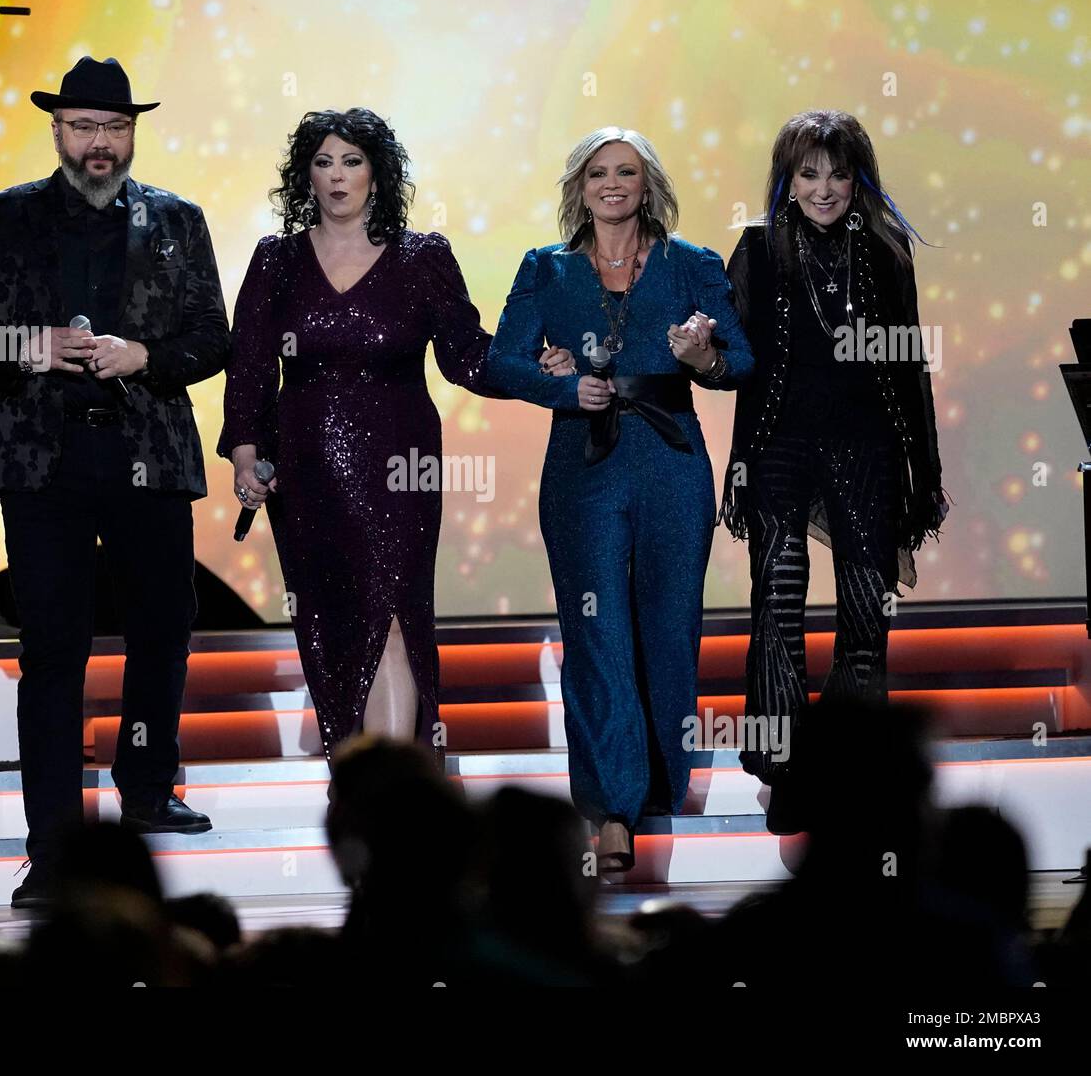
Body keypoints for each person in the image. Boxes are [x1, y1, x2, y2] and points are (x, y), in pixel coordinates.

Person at [0, 57, 231, 908]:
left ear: (132, 132)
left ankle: (145, 788)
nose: (99, 144)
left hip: (147, 458)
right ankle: (56, 849)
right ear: (57, 131)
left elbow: (215, 339)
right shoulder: (6, 218)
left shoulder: (178, 219)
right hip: (45, 466)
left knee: (163, 626)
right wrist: (34, 347)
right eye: (83, 128)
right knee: (54, 653)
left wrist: (146, 356)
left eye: (114, 128)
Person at [218, 108, 574, 765]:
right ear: (306, 177)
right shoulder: (277, 260)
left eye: (351, 161)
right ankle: (353, 772)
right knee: (328, 628)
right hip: (306, 475)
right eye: (323, 162)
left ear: (379, 174)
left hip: (400, 471)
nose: (337, 175)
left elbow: (468, 357)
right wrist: (245, 453)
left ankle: (389, 790)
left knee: (391, 615)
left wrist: (537, 369)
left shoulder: (423, 256)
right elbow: (247, 370)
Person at [486, 127, 753, 872]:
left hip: (672, 461)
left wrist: (702, 357)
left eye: (626, 172)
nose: (612, 184)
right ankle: (611, 808)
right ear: (579, 187)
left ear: (647, 183)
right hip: (583, 463)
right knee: (596, 629)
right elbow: (502, 361)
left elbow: (741, 359)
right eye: (598, 173)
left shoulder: (693, 264)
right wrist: (564, 385)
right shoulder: (547, 268)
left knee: (670, 626)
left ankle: (663, 784)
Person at [717, 109, 948, 834]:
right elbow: (738, 368)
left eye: (838, 173)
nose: (823, 188)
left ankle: (848, 776)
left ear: (859, 178)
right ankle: (785, 774)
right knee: (776, 614)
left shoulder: (886, 249)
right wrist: (740, 461)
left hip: (867, 449)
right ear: (786, 179)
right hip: (779, 450)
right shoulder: (755, 249)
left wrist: (923, 474)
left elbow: (910, 371)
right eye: (808, 173)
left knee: (863, 619)